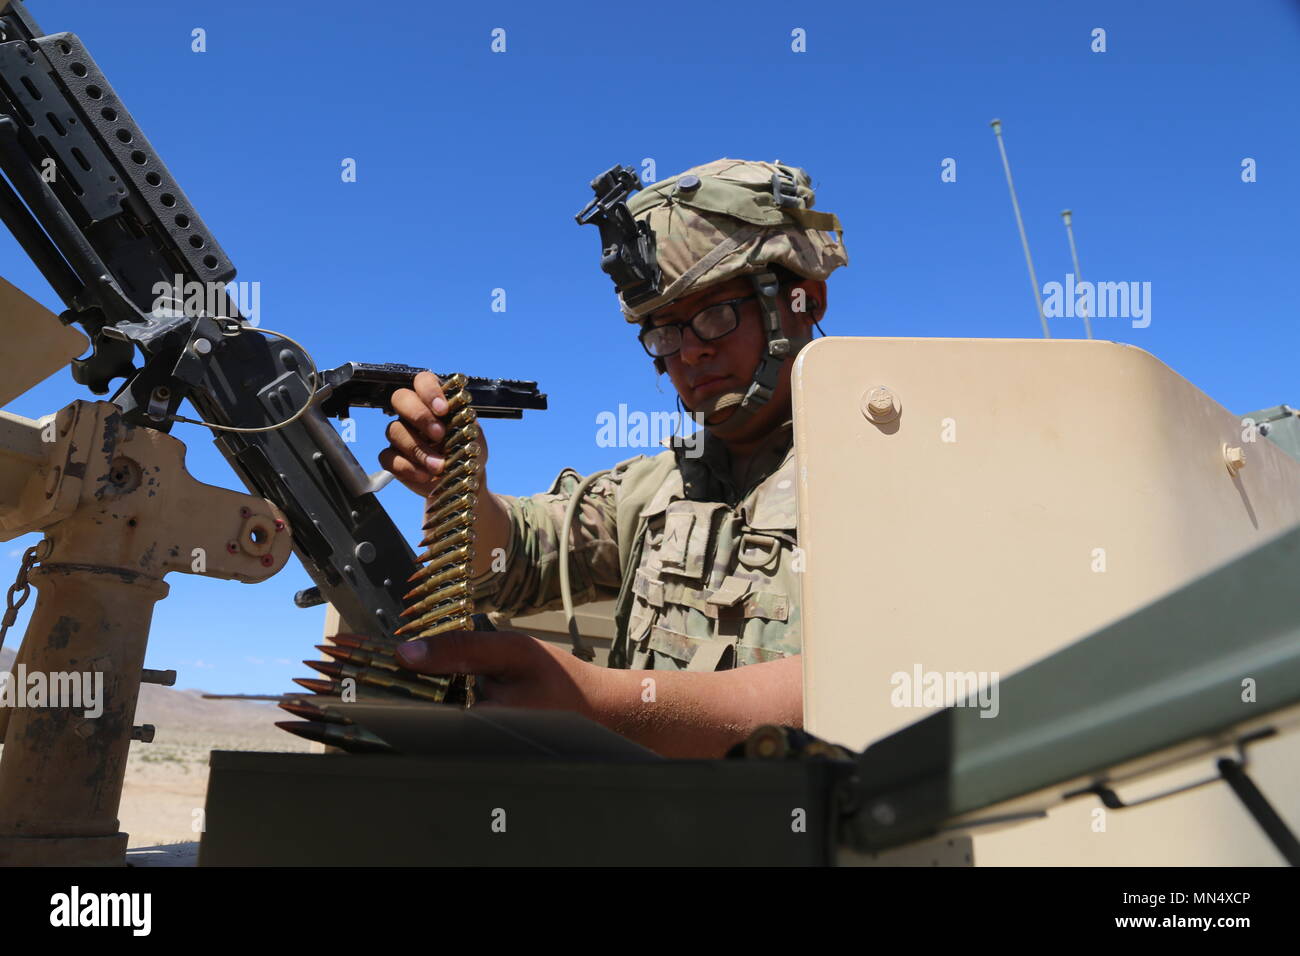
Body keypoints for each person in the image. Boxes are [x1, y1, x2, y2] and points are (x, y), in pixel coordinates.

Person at [378, 158, 847, 757]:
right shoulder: (656, 488)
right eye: (664, 332)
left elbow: (884, 677)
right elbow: (517, 556)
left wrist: (598, 704)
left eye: (714, 315)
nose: (688, 354)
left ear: (803, 302)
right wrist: (462, 489)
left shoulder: (885, 473)